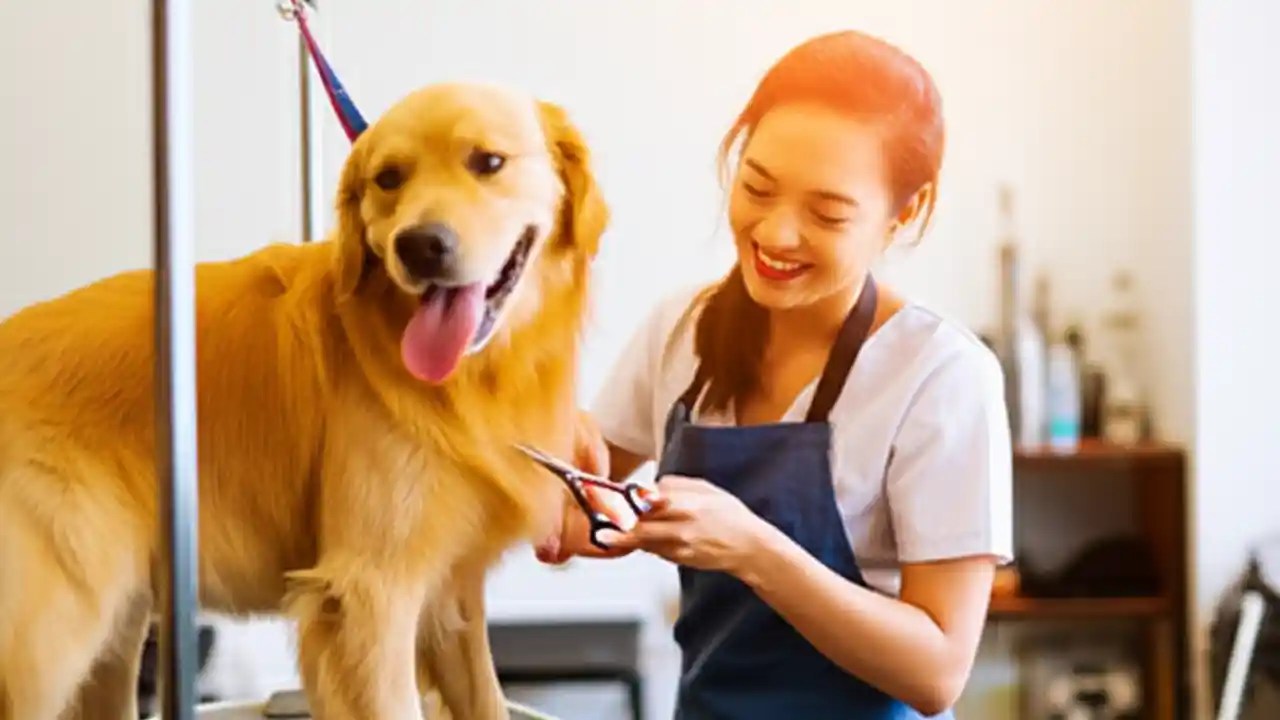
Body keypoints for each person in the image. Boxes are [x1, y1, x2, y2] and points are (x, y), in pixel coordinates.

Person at [536, 29, 1013, 719]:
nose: (776, 234)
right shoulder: (683, 328)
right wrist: (562, 485)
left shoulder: (940, 374)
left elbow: (937, 671)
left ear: (902, 214)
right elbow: (577, 520)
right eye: (757, 187)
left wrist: (753, 549)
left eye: (827, 213)